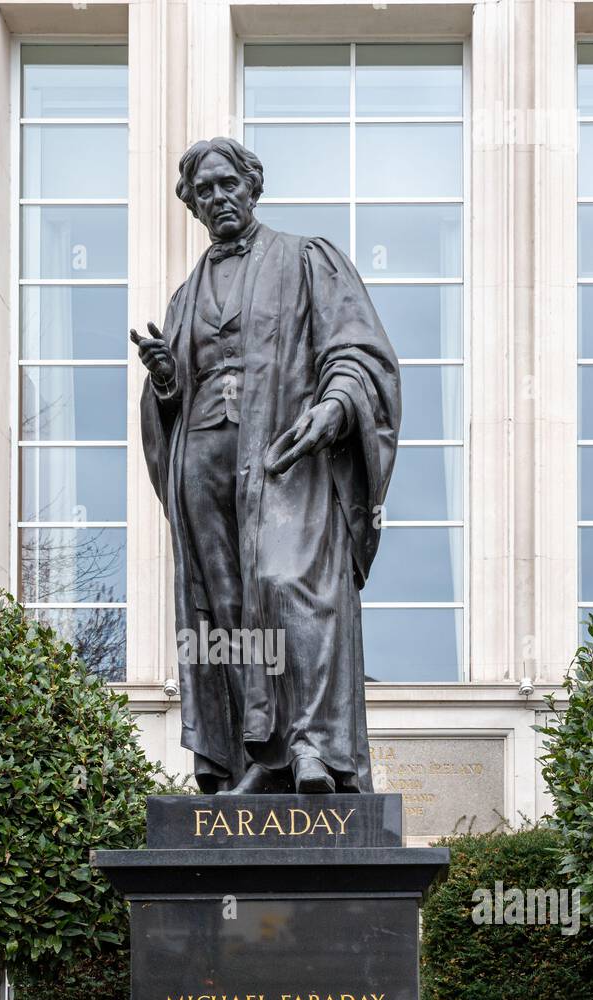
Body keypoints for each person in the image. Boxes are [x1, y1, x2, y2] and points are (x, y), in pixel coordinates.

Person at [131, 137, 400, 795]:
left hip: (285, 455)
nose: (217, 197)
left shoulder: (306, 259)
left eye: (227, 184)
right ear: (192, 206)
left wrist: (335, 409)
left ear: (252, 186)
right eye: (204, 192)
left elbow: (358, 352)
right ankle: (254, 756)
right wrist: (168, 382)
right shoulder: (185, 295)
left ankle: (315, 748)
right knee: (224, 610)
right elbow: (172, 392)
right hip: (203, 459)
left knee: (289, 585)